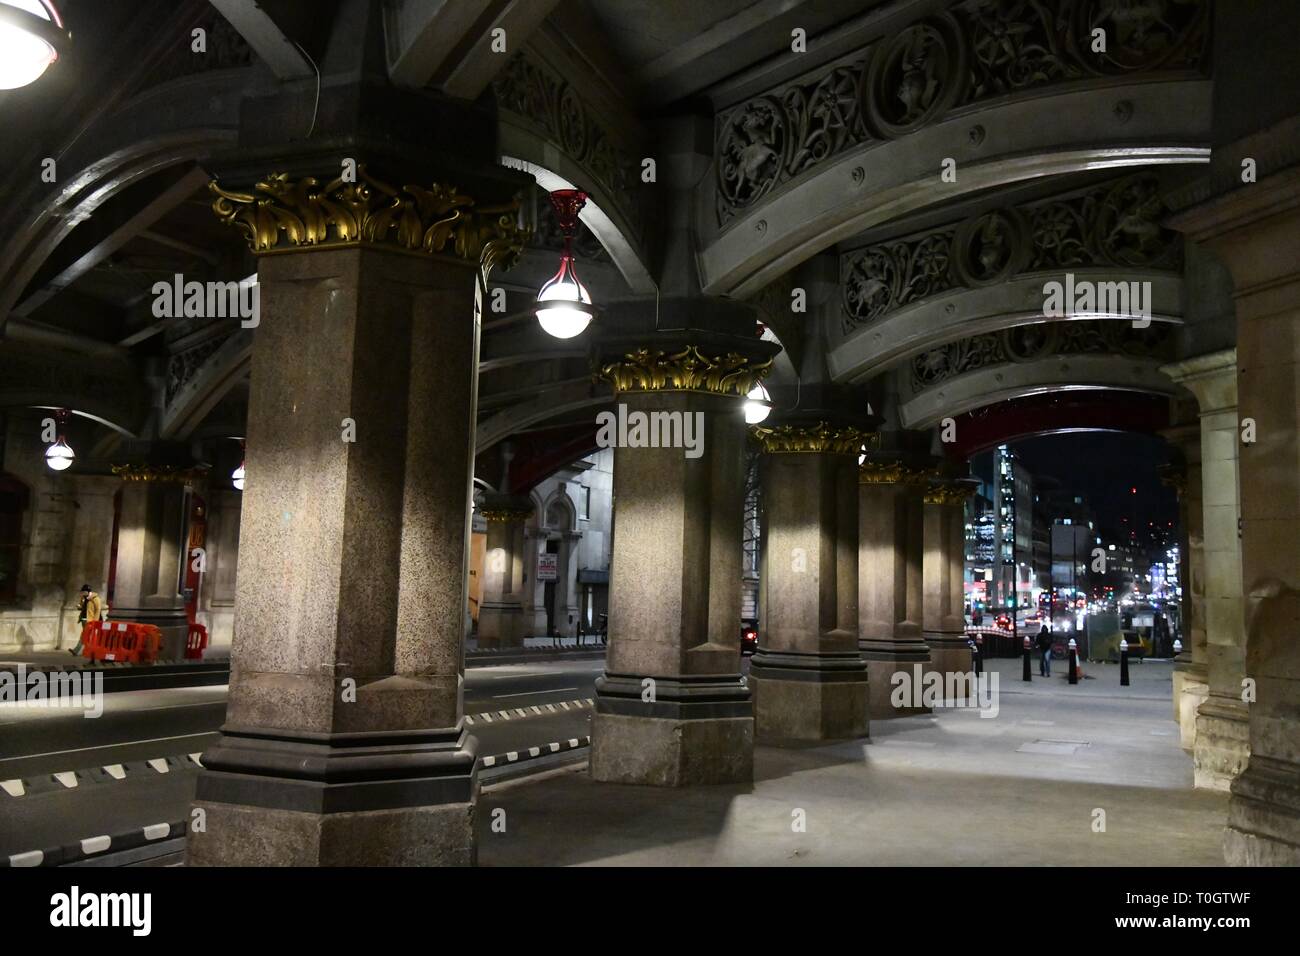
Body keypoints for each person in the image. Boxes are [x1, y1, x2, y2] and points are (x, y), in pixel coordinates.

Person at [69, 583, 103, 656]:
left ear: (88, 591)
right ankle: (87, 651)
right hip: (84, 620)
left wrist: (95, 621)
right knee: (86, 635)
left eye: (84, 592)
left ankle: (80, 651)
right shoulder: (83, 598)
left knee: (85, 635)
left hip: (91, 621)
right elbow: (82, 606)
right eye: (82, 592)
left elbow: (98, 610)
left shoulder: (95, 599)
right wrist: (79, 606)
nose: (83, 593)